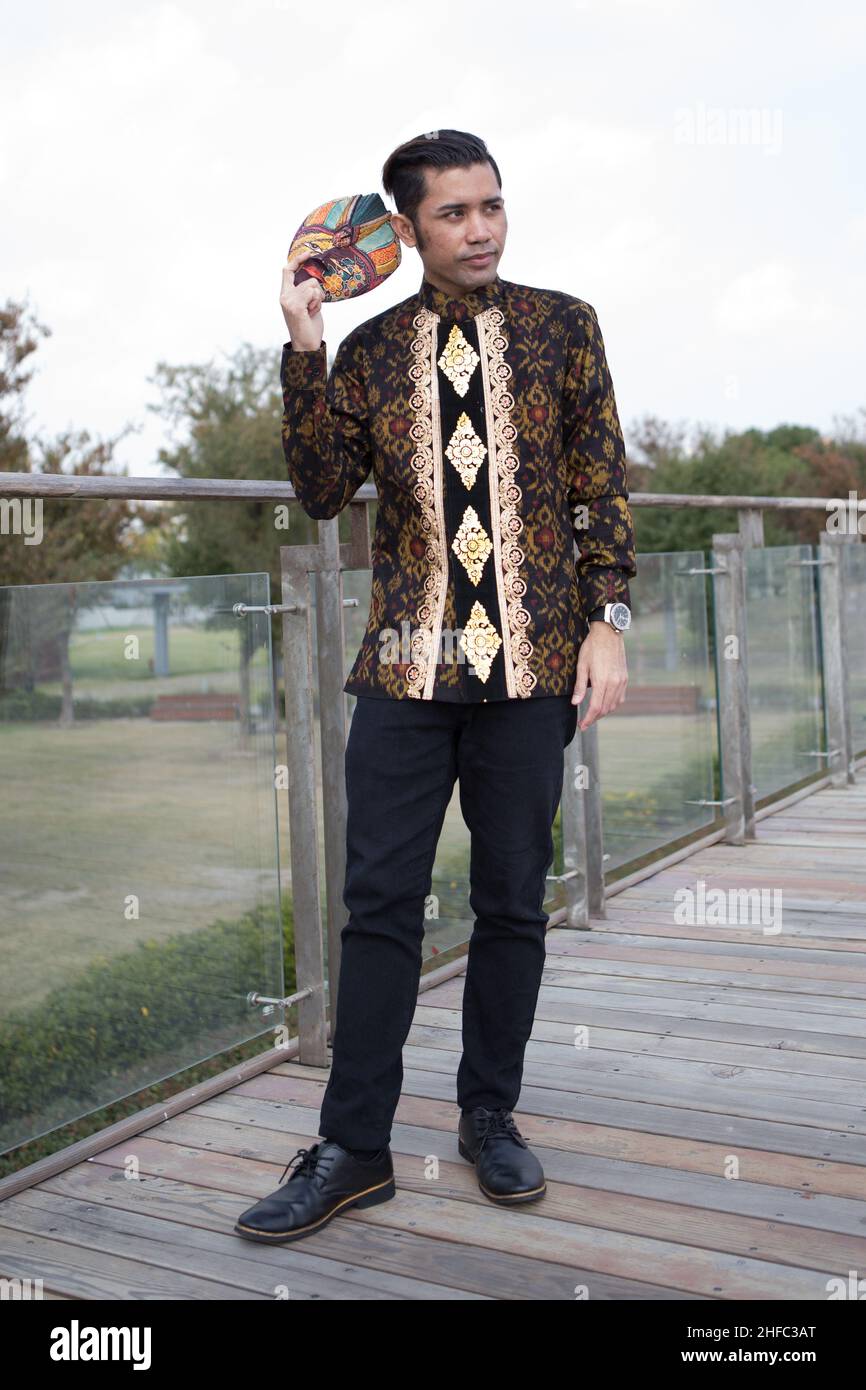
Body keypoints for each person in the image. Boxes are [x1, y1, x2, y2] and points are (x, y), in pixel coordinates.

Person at [234, 129, 637, 1246]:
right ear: (405, 230)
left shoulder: (565, 326)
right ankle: (354, 1149)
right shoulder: (366, 353)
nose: (480, 229)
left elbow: (601, 483)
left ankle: (487, 1116)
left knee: (512, 901)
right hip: (406, 671)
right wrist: (303, 348)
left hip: (532, 666)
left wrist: (606, 621)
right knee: (377, 911)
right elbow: (320, 492)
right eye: (454, 213)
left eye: (491, 207)